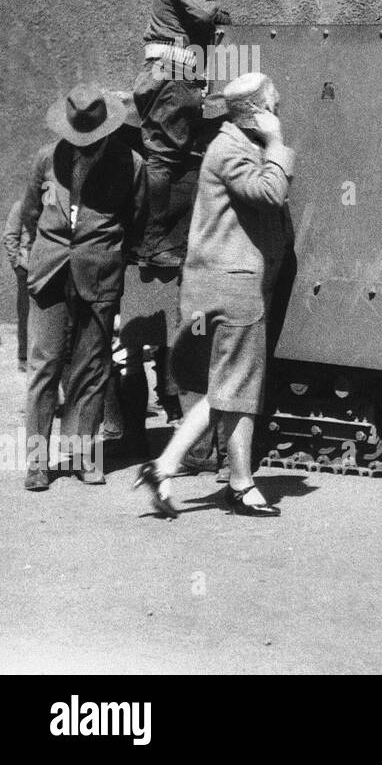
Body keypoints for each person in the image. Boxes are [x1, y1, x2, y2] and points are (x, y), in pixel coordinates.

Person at [136, 72, 294, 517]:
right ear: (257, 111)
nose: (279, 109)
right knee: (237, 387)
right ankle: (239, 485)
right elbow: (270, 191)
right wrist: (278, 141)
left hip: (223, 282)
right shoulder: (230, 150)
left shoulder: (235, 144)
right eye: (274, 103)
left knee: (228, 388)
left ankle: (166, 467)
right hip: (233, 284)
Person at [20, 84, 147, 490]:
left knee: (92, 368)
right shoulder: (46, 158)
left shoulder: (131, 164)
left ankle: (84, 456)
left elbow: (137, 221)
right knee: (45, 365)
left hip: (100, 274)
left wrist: (105, 254)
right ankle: (38, 462)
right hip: (50, 274)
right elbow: (30, 213)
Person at [133, 0, 239, 268]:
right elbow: (208, 13)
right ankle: (152, 246)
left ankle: (166, 243)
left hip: (182, 77)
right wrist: (223, 16)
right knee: (162, 159)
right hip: (171, 75)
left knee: (178, 160)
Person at [3, 198, 32, 372]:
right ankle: (23, 356)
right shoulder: (21, 205)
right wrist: (17, 263)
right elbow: (10, 235)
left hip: (49, 268)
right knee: (25, 312)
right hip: (27, 268)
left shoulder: (51, 206)